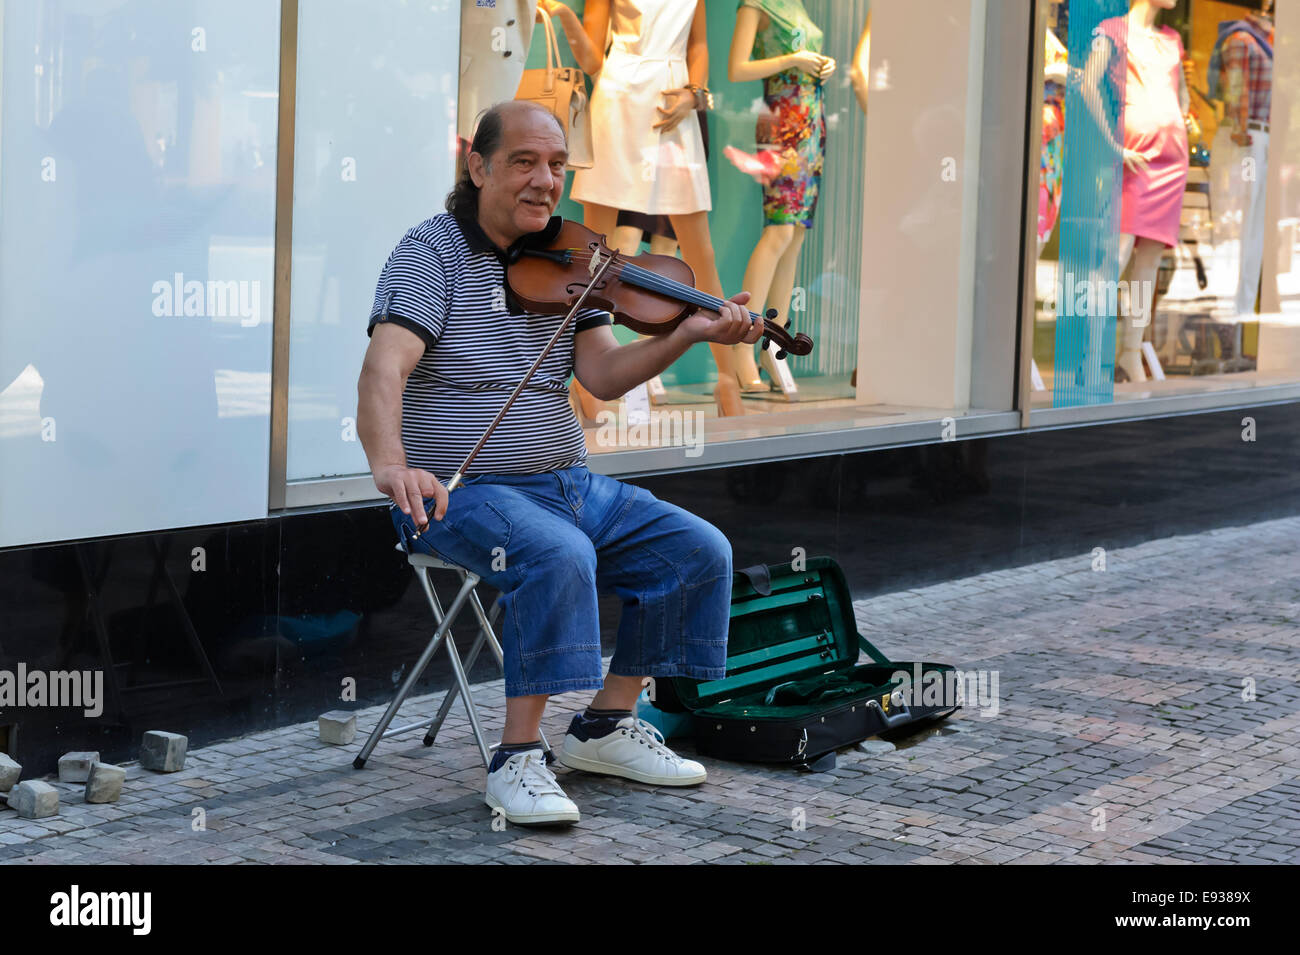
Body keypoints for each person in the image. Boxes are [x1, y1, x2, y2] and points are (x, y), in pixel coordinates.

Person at [356, 100, 762, 826]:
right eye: (524, 163)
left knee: (698, 550)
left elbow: (603, 376)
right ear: (477, 166)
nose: (546, 182)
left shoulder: (576, 259)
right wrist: (392, 467)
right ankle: (517, 758)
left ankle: (604, 726)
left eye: (557, 166)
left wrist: (689, 334)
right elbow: (384, 370)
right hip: (461, 493)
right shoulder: (431, 253)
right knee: (556, 552)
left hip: (568, 482)